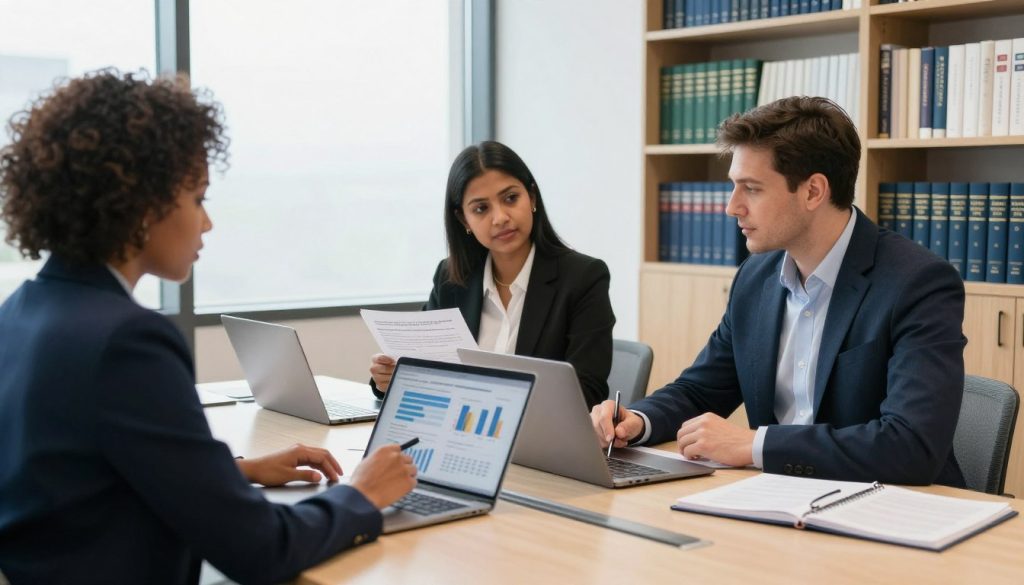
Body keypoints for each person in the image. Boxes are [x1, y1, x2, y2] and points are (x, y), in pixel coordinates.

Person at [0, 70, 416, 584]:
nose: (207, 223)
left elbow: (77, 477)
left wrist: (231, 473)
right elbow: (260, 549)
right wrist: (361, 496)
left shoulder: (21, 311)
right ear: (141, 202)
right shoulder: (127, 342)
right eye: (198, 198)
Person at [591, 96, 967, 486]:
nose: (732, 207)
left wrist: (756, 446)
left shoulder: (918, 283)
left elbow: (910, 446)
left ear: (813, 192)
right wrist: (638, 420)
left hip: (892, 509)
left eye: (751, 189)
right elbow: (701, 390)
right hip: (781, 499)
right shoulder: (756, 277)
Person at [369, 141, 615, 409]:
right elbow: (422, 366)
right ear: (464, 220)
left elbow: (587, 392)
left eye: (511, 198)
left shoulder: (583, 277)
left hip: (537, 441)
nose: (500, 218)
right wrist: (388, 378)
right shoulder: (451, 279)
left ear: (531, 197)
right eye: (481, 209)